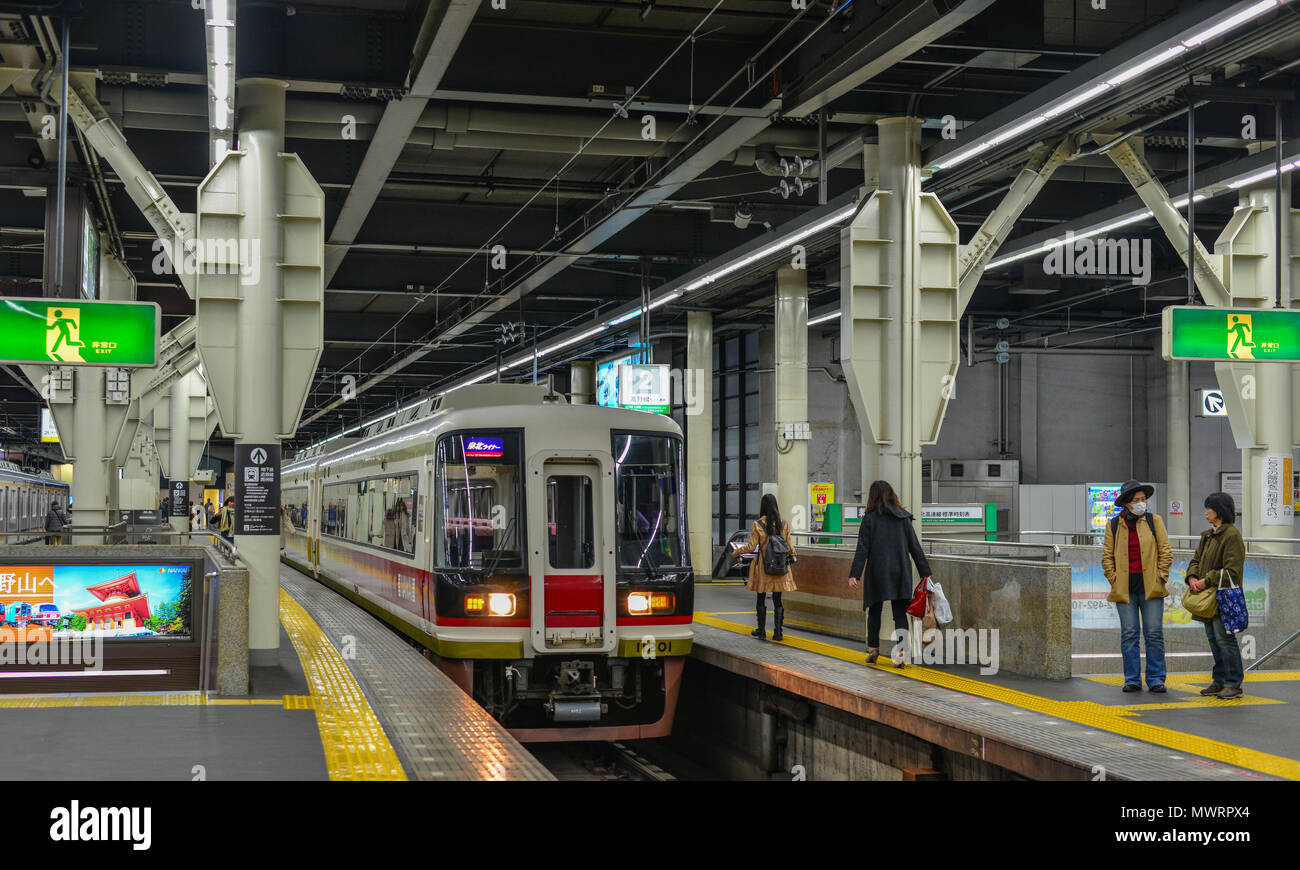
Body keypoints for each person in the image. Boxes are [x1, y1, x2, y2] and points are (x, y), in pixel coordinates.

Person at [847, 480, 931, 668]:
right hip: (901, 570)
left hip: (878, 571)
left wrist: (855, 575)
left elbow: (862, 549)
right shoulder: (903, 518)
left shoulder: (869, 519)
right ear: (892, 495)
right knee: (900, 614)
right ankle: (901, 653)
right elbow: (915, 548)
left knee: (874, 611)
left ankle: (873, 650)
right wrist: (926, 573)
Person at [1101, 479, 1173, 693]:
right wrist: (1113, 578)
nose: (1142, 503)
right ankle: (1132, 678)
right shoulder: (1113, 525)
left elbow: (1166, 551)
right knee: (1129, 633)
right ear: (1127, 504)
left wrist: (1161, 576)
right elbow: (1106, 556)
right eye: (1137, 500)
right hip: (1125, 589)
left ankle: (1156, 678)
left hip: (1151, 587)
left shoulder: (1154, 521)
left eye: (1143, 499)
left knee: (1154, 633)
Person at [1185, 492, 1247, 700]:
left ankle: (1233, 682)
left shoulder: (1231, 536)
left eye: (1209, 509)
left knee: (1224, 639)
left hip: (1223, 598)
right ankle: (1219, 680)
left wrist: (1206, 580)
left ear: (1219, 511)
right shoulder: (1207, 535)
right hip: (1208, 597)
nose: (1206, 512)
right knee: (1214, 638)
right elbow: (1196, 559)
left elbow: (1233, 571)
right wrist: (1192, 576)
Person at [731, 493, 797, 641]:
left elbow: (750, 547)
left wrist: (736, 552)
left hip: (764, 567)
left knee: (761, 597)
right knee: (777, 599)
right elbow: (791, 548)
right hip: (780, 567)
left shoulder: (758, 525)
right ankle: (778, 632)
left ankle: (761, 631)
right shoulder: (784, 524)